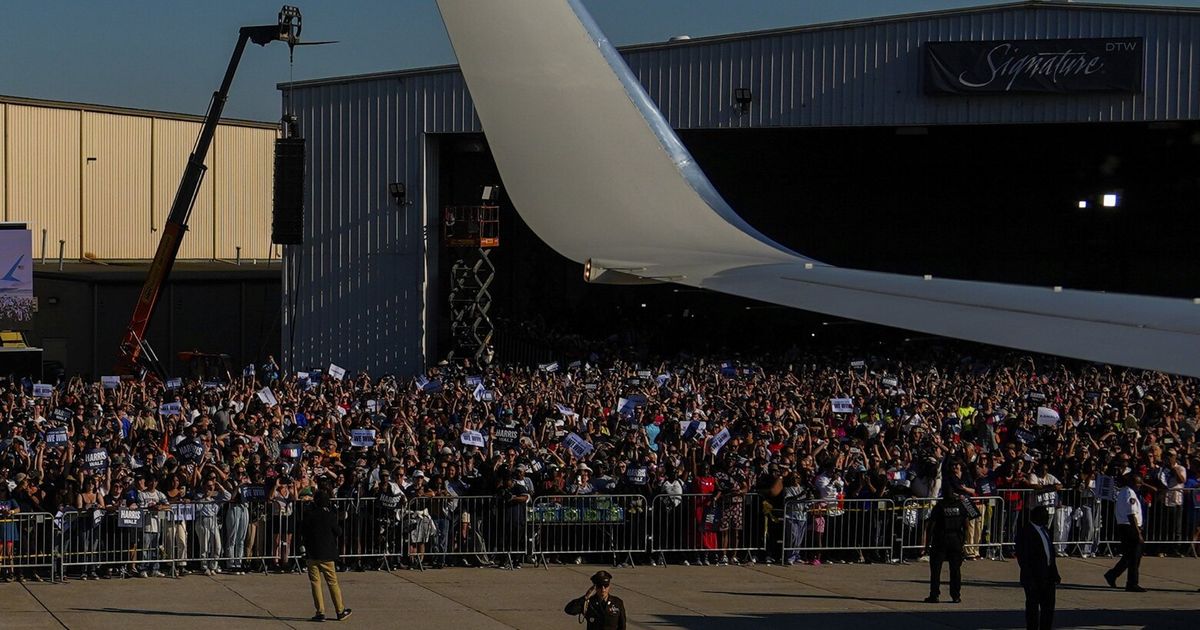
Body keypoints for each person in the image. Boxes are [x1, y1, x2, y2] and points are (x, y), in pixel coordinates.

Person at [299, 489, 352, 622]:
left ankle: (320, 612)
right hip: (327, 554)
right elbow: (338, 532)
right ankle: (340, 610)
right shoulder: (329, 515)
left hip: (312, 553)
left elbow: (303, 532)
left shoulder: (309, 515)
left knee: (315, 583)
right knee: (332, 582)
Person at [1016, 506, 1060, 630]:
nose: (1047, 517)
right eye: (1044, 514)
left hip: (1048, 577)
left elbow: (1050, 555)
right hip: (1033, 577)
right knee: (1033, 608)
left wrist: (1055, 573)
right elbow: (1023, 558)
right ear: (1036, 516)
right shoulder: (1026, 532)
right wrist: (1029, 577)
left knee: (1048, 608)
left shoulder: (1045, 530)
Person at [1104, 472, 1147, 592]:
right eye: (1138, 483)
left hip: (1126, 526)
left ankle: (1112, 574)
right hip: (1130, 527)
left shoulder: (1125, 492)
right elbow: (1131, 514)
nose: (1140, 485)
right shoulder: (1129, 493)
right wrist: (1138, 533)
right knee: (1134, 557)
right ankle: (1132, 583)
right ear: (1132, 482)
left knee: (1129, 556)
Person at [924, 490, 967, 604]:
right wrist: (963, 542)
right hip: (956, 539)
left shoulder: (940, 506)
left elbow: (931, 526)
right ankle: (956, 596)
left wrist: (927, 544)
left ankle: (934, 595)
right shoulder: (960, 506)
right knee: (955, 570)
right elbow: (966, 525)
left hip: (941, 539)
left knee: (936, 569)